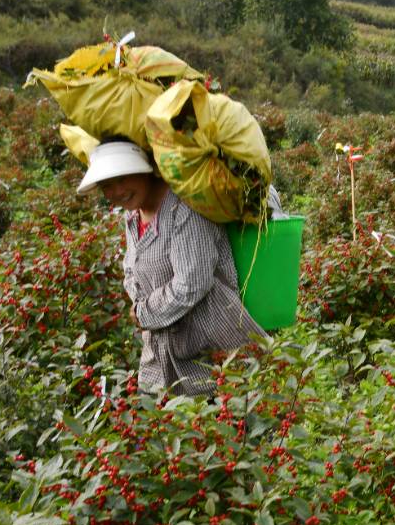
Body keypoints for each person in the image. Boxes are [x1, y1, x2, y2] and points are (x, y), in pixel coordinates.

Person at [77, 139, 266, 396]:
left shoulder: (185, 208)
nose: (117, 191)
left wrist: (144, 313)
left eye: (123, 178)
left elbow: (193, 282)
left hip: (211, 355)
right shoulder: (132, 216)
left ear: (144, 168)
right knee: (156, 425)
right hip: (159, 357)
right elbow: (131, 270)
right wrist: (140, 305)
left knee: (219, 424)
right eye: (106, 185)